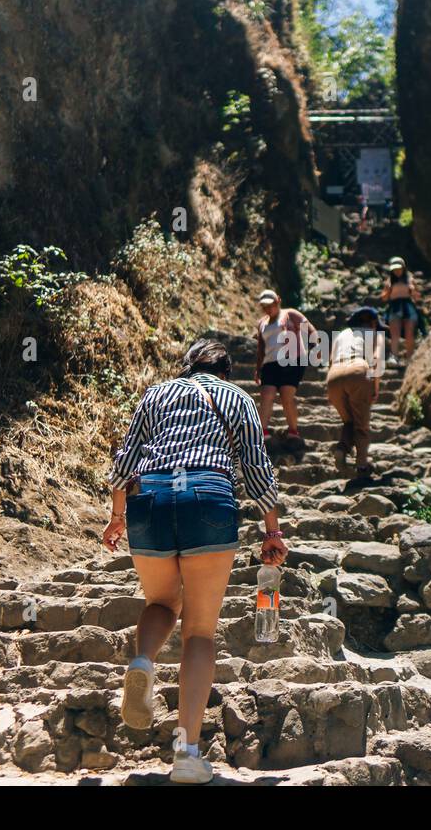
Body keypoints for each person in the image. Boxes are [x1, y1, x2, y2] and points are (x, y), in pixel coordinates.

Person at [102, 338, 289, 784]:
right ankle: (186, 752)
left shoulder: (156, 394)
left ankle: (143, 662)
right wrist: (272, 530)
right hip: (207, 496)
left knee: (162, 604)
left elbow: (123, 463)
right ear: (226, 371)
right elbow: (256, 467)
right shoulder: (237, 399)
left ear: (186, 366)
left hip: (150, 498)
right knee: (200, 630)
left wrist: (116, 518)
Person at [327, 306, 388, 481]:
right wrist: (375, 386)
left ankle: (342, 448)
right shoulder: (375, 334)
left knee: (348, 421)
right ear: (373, 322)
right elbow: (377, 360)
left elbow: (330, 361)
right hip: (358, 371)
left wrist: (329, 391)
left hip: (334, 376)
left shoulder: (342, 334)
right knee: (361, 425)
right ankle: (361, 466)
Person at [254, 288, 315, 450]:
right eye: (264, 306)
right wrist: (257, 368)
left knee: (287, 396)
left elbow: (310, 330)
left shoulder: (291, 315)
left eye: (271, 305)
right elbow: (261, 347)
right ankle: (263, 433)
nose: (268, 309)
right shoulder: (261, 323)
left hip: (292, 361)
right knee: (267, 395)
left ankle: (293, 431)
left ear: (278, 301)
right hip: (270, 363)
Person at [379, 256, 421, 365]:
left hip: (407, 306)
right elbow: (383, 297)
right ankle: (394, 356)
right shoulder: (389, 281)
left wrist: (412, 291)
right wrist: (388, 291)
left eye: (399, 269)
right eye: (394, 269)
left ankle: (410, 357)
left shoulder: (410, 280)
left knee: (409, 333)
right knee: (395, 333)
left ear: (403, 268)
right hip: (394, 306)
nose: (397, 271)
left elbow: (417, 297)